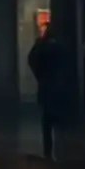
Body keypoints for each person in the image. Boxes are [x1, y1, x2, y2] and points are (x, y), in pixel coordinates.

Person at [27, 26, 66, 160]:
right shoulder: (60, 49)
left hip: (45, 85)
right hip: (57, 87)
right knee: (57, 117)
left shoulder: (41, 48)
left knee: (47, 120)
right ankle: (61, 148)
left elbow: (32, 59)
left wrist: (39, 76)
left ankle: (48, 150)